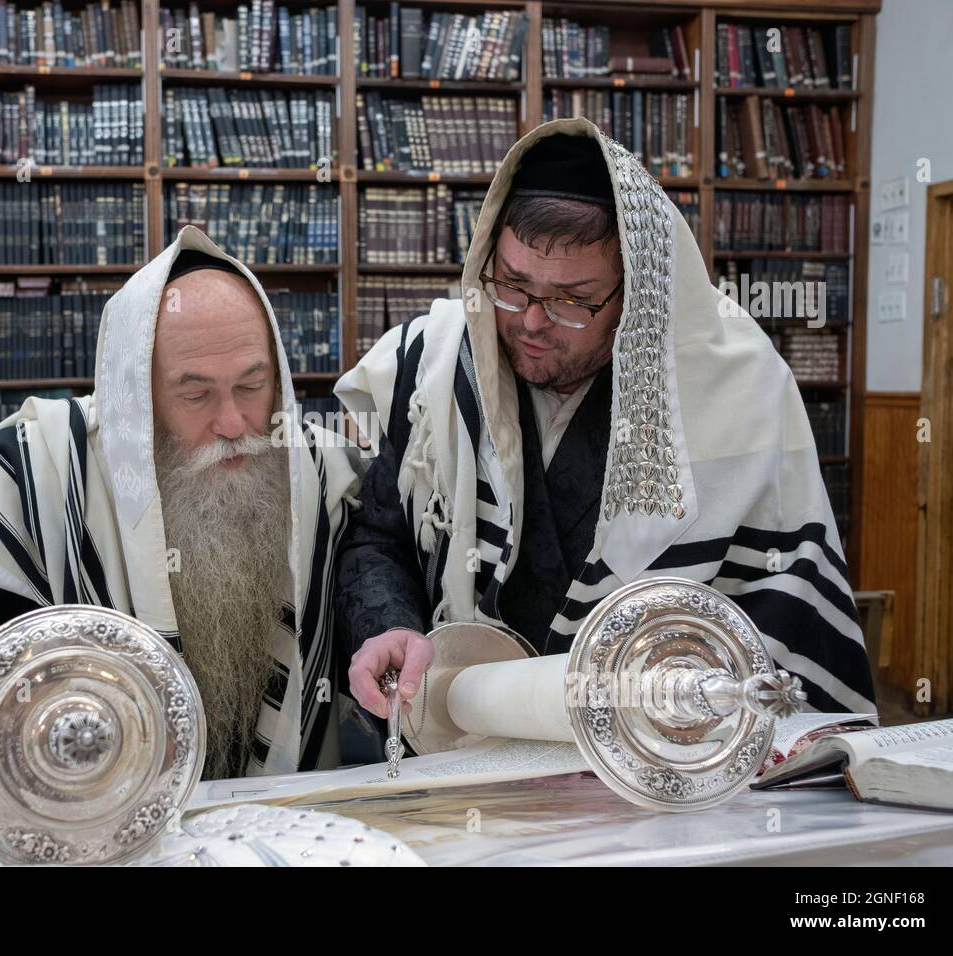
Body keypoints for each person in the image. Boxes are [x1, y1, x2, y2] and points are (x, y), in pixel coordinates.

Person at [335, 118, 874, 727]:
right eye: (512, 285)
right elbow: (378, 538)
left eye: (572, 299)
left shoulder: (737, 390)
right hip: (464, 742)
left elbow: (782, 614)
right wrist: (392, 628)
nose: (532, 322)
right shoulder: (432, 363)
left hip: (661, 763)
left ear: (639, 293)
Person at [0, 227, 361, 780]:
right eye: (195, 395)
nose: (233, 423)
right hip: (101, 820)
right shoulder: (40, 466)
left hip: (282, 820)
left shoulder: (319, 471)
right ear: (137, 397)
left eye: (252, 385)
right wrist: (44, 718)